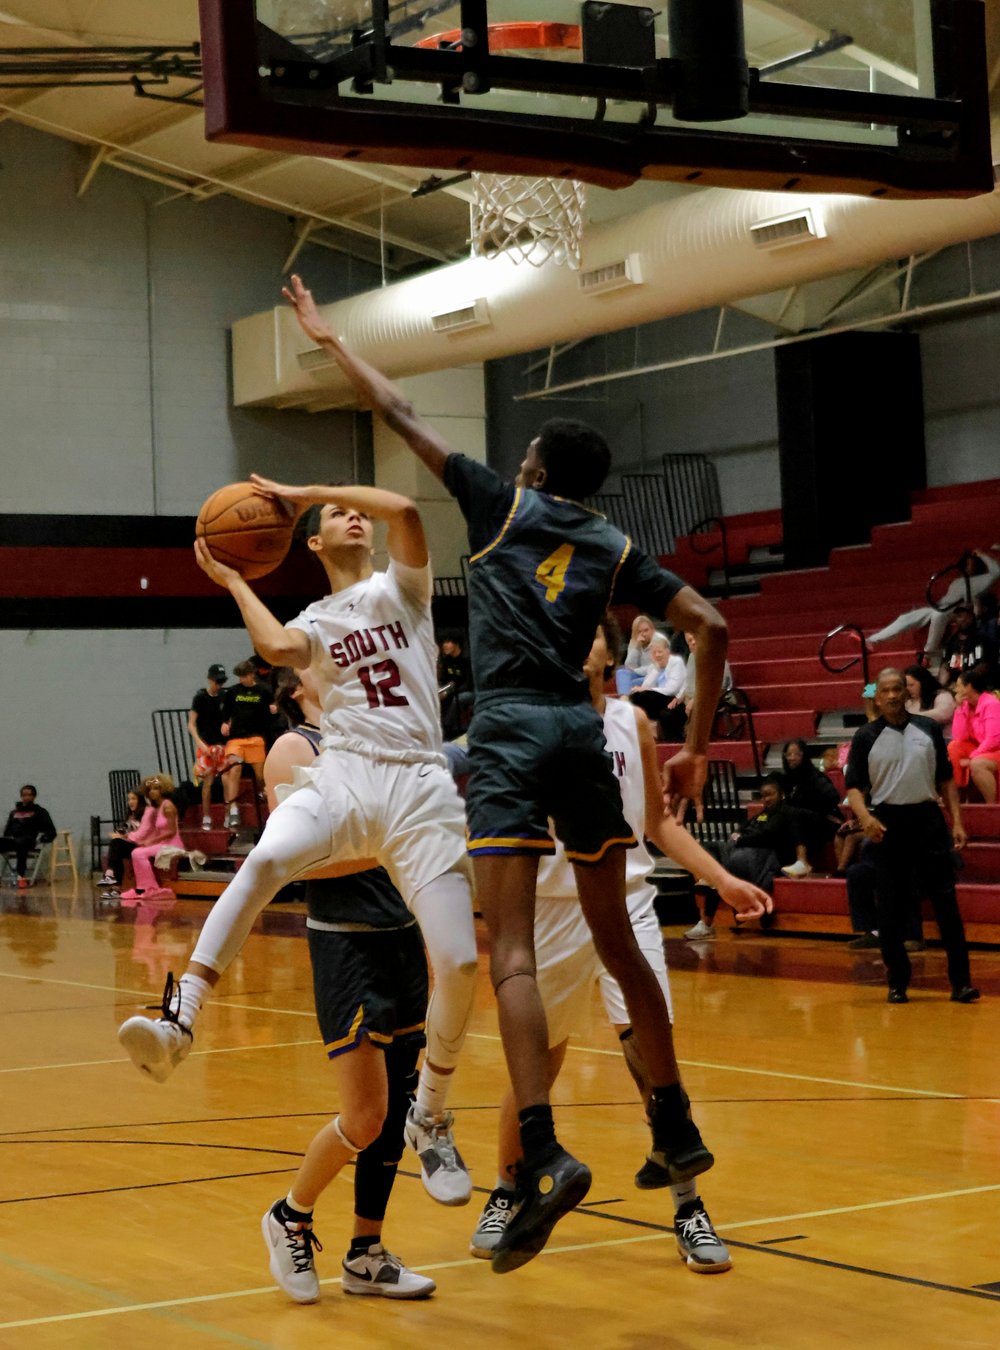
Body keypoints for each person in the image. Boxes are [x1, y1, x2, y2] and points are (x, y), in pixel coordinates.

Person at [274, 275, 765, 1274]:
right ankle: (673, 1127)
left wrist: (329, 342)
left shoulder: (499, 503)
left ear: (535, 467)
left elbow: (399, 409)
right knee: (624, 947)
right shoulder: (612, 544)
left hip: (506, 730)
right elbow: (711, 626)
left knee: (511, 961)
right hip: (579, 734)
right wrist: (697, 744)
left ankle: (538, 1147)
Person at [118, 474, 478, 1210]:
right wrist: (231, 579)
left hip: (416, 782)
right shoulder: (313, 619)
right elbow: (278, 645)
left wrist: (308, 488)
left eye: (356, 510)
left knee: (462, 962)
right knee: (265, 859)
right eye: (336, 514)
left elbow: (407, 510)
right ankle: (182, 1017)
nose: (354, 516)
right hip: (348, 773)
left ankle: (432, 1113)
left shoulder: (403, 588)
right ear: (309, 543)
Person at [470, 616, 770, 1271]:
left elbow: (657, 821)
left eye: (589, 632)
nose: (579, 642)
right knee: (539, 1063)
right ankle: (509, 1188)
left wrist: (720, 878)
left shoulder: (633, 723)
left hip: (627, 897)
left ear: (610, 650)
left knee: (648, 1053)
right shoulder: (529, 720)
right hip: (554, 905)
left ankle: (689, 1206)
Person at [259, 667, 434, 1303]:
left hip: (402, 934)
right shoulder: (293, 748)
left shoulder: (372, 739)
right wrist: (389, 840)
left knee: (395, 1112)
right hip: (346, 943)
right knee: (365, 1114)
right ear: (294, 688)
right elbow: (294, 860)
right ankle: (290, 1215)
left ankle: (366, 1254)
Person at [844, 667, 979, 1004]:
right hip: (888, 824)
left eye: (898, 689)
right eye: (885, 690)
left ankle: (961, 983)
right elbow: (854, 788)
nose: (892, 695)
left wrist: (957, 821)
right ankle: (897, 983)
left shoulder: (928, 728)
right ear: (877, 697)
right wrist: (865, 818)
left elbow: (946, 779)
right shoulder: (865, 736)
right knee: (890, 907)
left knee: (946, 903)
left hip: (928, 820)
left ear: (907, 693)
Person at [684, 775, 807, 938]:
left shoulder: (785, 813)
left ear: (781, 794)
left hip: (762, 856)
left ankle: (706, 923)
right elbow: (744, 827)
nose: (766, 799)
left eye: (770, 794)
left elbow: (767, 836)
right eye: (763, 796)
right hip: (742, 848)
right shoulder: (762, 814)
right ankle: (707, 877)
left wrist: (741, 839)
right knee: (707, 847)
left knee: (724, 870)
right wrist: (738, 834)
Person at [867, 546, 1000, 659]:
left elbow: (997, 572)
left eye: (972, 564)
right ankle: (872, 640)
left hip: (958, 610)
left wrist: (982, 555)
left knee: (938, 615)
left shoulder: (984, 580)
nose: (969, 567)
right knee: (907, 617)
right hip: (941, 606)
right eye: (967, 564)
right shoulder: (957, 581)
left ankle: (929, 652)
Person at [220, 659, 278, 826]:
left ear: (252, 674)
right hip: (236, 740)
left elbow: (274, 706)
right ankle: (233, 808)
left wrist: (274, 708)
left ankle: (265, 797)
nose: (241, 680)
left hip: (255, 738)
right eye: (239, 677)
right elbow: (226, 712)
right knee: (234, 768)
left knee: (260, 776)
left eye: (244, 676)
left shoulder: (263, 690)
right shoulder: (233, 692)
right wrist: (224, 723)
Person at [119, 774, 185, 903]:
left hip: (173, 844)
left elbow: (172, 831)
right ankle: (142, 888)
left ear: (162, 790)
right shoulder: (156, 808)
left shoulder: (168, 806)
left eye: (155, 789)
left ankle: (151, 888)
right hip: (162, 843)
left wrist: (151, 841)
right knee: (136, 852)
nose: (152, 792)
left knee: (139, 853)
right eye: (150, 789)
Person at [780, 738, 843, 870]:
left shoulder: (814, 776)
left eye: (796, 754)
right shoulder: (787, 780)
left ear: (804, 755)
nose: (792, 758)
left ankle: (802, 861)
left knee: (795, 813)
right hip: (804, 824)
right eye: (788, 754)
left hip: (827, 821)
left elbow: (834, 797)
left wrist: (815, 811)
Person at [188, 663, 233, 830]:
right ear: (210, 679)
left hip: (222, 744)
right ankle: (206, 816)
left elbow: (229, 716)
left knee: (226, 779)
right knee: (207, 781)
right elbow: (191, 724)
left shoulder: (225, 696)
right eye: (216, 681)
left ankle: (228, 814)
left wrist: (228, 725)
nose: (219, 685)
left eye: (221, 682)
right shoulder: (200, 698)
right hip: (206, 743)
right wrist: (200, 743)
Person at [948, 667, 1000, 804]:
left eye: (958, 686)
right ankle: (956, 795)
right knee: (954, 746)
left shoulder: (991, 704)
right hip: (980, 748)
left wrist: (972, 757)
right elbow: (959, 736)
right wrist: (959, 708)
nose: (955, 690)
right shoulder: (965, 705)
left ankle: (991, 806)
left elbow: (993, 740)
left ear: (969, 687)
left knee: (978, 763)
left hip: (996, 749)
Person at [628, 633, 687, 738]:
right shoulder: (653, 667)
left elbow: (672, 689)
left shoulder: (676, 662)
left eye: (660, 652)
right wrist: (657, 668)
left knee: (644, 696)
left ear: (668, 651)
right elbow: (645, 686)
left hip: (676, 699)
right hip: (660, 702)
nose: (657, 655)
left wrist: (649, 689)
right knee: (636, 696)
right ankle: (648, 725)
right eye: (654, 653)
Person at [0, 785, 56, 889]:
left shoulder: (40, 812)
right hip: (14, 840)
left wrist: (43, 839)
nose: (26, 797)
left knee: (21, 843)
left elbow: (51, 831)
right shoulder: (14, 812)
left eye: (29, 795)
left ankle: (21, 877)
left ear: (34, 796)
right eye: (24, 795)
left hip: (29, 840)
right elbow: (7, 830)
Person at [96, 786, 147, 894]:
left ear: (140, 800)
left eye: (133, 799)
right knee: (116, 846)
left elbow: (142, 834)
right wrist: (119, 833)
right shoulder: (131, 815)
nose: (130, 802)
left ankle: (110, 875)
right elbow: (125, 829)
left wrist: (125, 836)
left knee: (117, 843)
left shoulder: (145, 814)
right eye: (129, 799)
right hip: (131, 844)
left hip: (141, 845)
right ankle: (115, 884)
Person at [940, 604, 999, 688]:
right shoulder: (950, 642)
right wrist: (942, 686)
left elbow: (984, 666)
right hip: (955, 686)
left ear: (973, 617)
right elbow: (945, 666)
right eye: (960, 616)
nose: (964, 619)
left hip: (978, 686)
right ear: (955, 619)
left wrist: (965, 681)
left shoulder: (983, 639)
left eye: (967, 616)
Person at [617, 614, 669, 693]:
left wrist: (636, 670)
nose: (643, 634)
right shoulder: (635, 641)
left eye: (646, 630)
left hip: (657, 674)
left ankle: (625, 696)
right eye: (639, 632)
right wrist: (637, 647)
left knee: (630, 684)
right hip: (641, 673)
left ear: (652, 630)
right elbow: (629, 665)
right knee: (621, 673)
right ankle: (624, 697)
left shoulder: (659, 640)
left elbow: (656, 666)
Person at [903, 663, 956, 739]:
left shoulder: (942, 695)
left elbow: (943, 714)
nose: (908, 689)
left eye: (911, 685)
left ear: (923, 683)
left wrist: (913, 717)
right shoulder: (909, 702)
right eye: (906, 686)